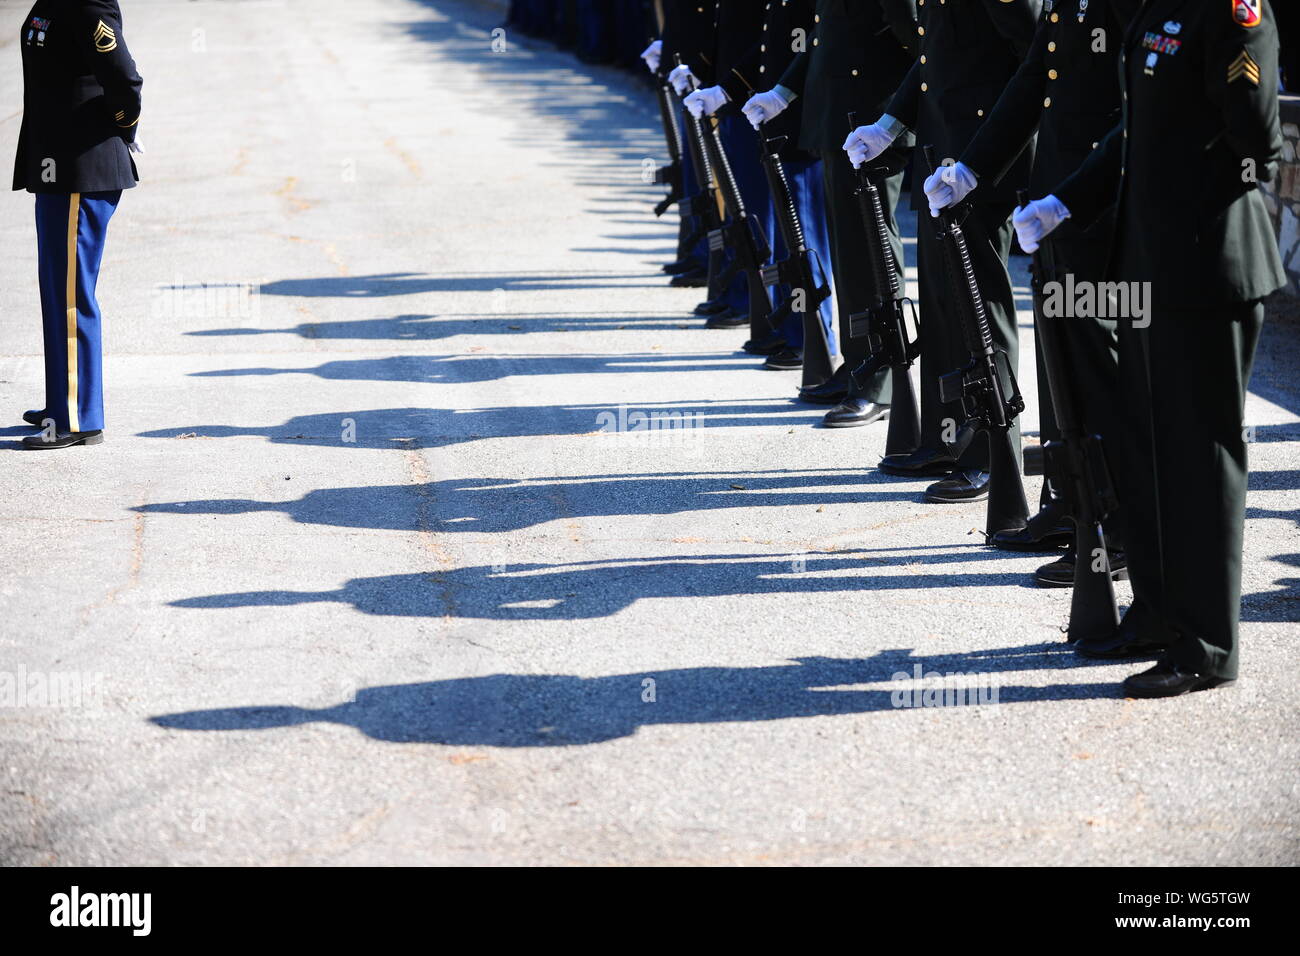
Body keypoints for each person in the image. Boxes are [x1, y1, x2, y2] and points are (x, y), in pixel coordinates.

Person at [1016, 0, 1284, 697]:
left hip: (1208, 266)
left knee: (1200, 458)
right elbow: (1133, 133)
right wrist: (1066, 201)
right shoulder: (1160, 9)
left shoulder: (1230, 10)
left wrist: (1186, 208)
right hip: (1150, 266)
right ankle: (1160, 613)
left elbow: (1254, 134)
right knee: (1153, 450)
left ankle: (1206, 645)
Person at [925, 0, 1138, 583]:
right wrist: (972, 167)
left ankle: (1116, 526)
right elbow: (1032, 83)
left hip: (1104, 197)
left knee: (1101, 367)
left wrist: (1079, 195)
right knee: (1061, 363)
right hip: (1056, 196)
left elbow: (1144, 97)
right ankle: (1071, 502)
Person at [845, 0, 1040, 501]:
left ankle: (994, 452)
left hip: (982, 155)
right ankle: (945, 435)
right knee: (939, 300)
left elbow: (1035, 60)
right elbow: (935, 58)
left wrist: (992, 155)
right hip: (941, 150)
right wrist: (889, 124)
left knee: (980, 305)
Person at [743, 0, 919, 427]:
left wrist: (891, 123)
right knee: (848, 255)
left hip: (871, 125)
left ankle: (881, 379)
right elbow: (826, 40)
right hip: (838, 119)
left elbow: (921, 48)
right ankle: (859, 362)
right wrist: (783, 93)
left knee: (870, 251)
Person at [13, 0, 142, 450]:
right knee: (57, 290)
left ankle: (75, 419)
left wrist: (120, 131)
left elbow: (124, 80)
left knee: (71, 295)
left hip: (80, 168)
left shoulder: (88, 1)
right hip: (55, 166)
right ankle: (62, 404)